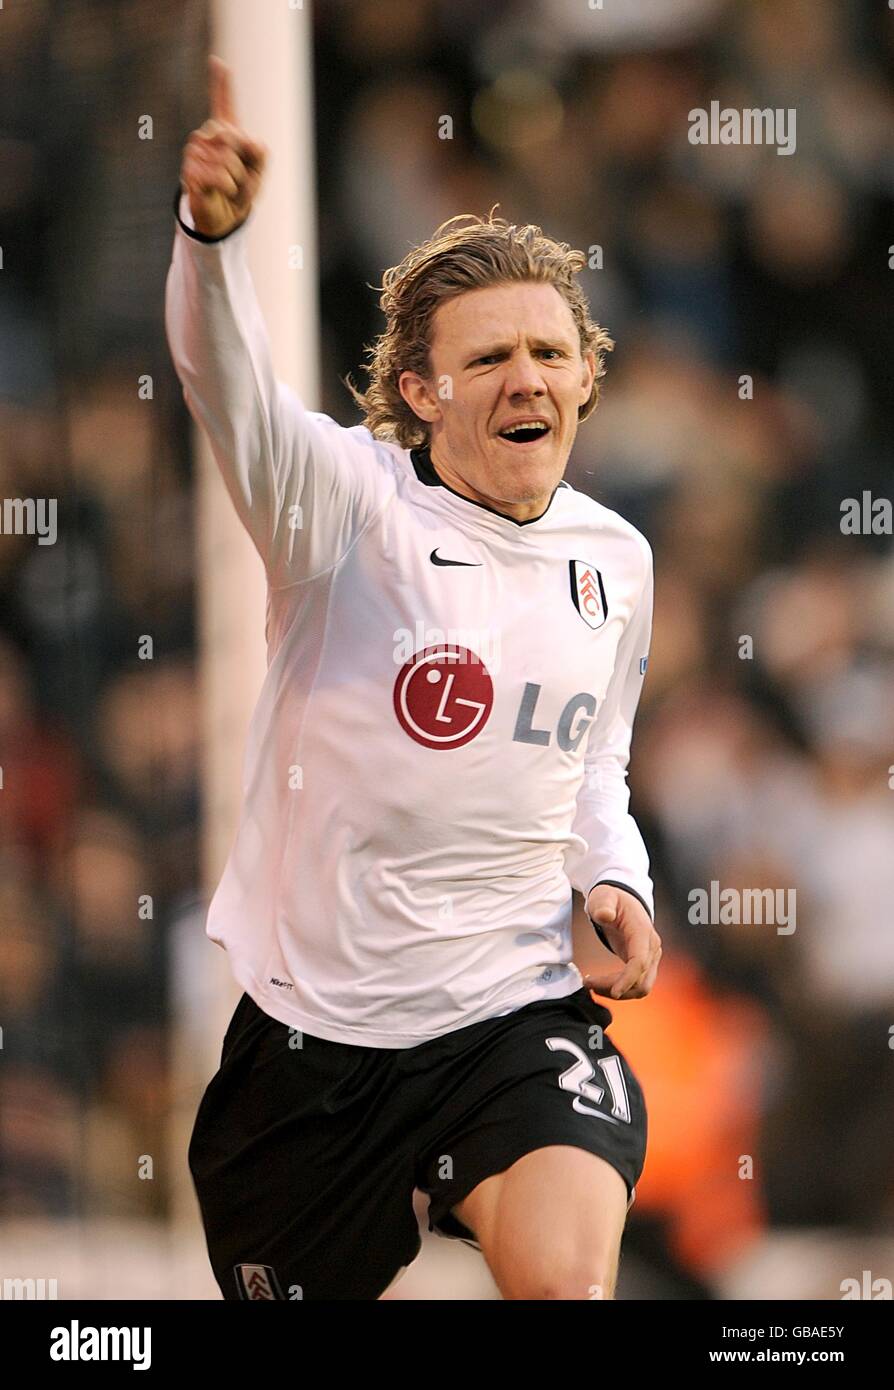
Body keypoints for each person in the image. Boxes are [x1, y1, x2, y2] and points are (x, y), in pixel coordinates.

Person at [165, 55, 662, 1302]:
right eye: (488, 357)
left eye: (551, 350)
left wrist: (614, 878)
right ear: (419, 390)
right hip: (313, 1044)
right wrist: (211, 246)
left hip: (512, 1014)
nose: (525, 377)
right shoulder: (343, 510)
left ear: (587, 376)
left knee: (566, 1284)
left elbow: (593, 758)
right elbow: (230, 397)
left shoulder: (615, 559)